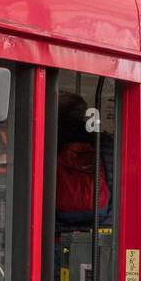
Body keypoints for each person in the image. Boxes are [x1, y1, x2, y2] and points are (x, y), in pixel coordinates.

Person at [55, 90, 112, 227]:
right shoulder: (103, 142)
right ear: (83, 115)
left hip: (56, 229)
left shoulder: (50, 142)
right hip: (103, 227)